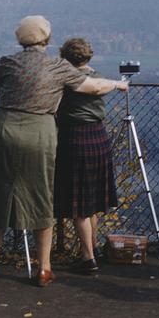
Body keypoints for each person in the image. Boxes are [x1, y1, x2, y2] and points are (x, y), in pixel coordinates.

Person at [0, 15, 128, 287]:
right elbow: (92, 87)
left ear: (20, 39)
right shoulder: (57, 67)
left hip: (4, 129)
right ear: (46, 39)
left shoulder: (7, 62)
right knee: (41, 195)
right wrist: (117, 84)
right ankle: (44, 268)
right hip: (39, 132)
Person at [53, 38, 118, 274]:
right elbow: (101, 87)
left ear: (65, 57)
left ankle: (88, 258)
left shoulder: (65, 79)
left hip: (74, 138)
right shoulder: (99, 77)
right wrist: (119, 84)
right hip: (98, 135)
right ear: (88, 56)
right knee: (90, 203)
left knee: (78, 204)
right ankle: (92, 249)